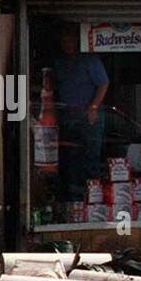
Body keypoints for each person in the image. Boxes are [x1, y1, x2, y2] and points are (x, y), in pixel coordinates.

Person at [49, 25, 108, 201]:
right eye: (63, 41)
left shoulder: (89, 60)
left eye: (70, 40)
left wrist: (94, 107)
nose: (66, 44)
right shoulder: (60, 62)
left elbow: (104, 83)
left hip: (88, 116)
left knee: (90, 158)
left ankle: (94, 199)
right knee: (71, 159)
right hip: (68, 116)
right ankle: (74, 200)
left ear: (77, 41)